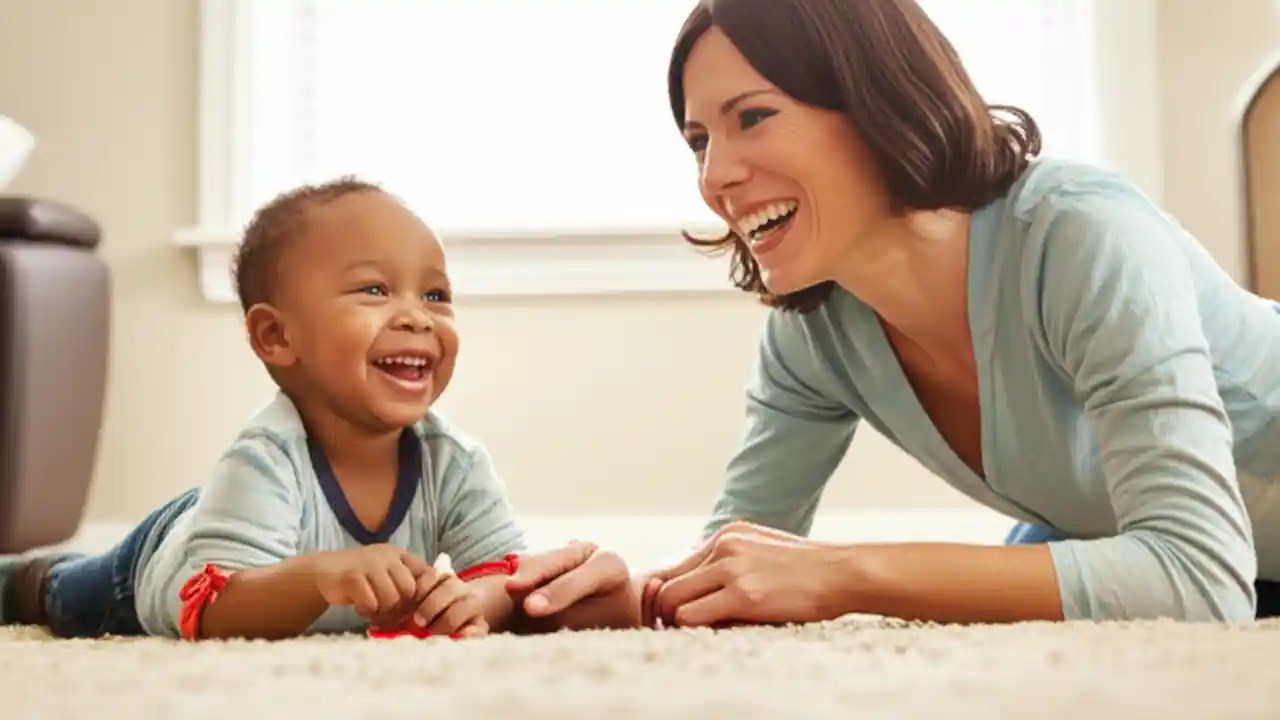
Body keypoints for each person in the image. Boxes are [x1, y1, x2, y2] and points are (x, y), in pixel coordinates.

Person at [507, 0, 1280, 628]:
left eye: (754, 117)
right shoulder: (814, 336)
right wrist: (621, 597)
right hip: (1171, 548)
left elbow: (1199, 578)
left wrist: (846, 574)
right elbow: (738, 563)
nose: (716, 176)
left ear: (876, 99)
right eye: (699, 140)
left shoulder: (1080, 234)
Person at [0, 178, 638, 639]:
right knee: (59, 596)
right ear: (276, 336)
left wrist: (481, 601)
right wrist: (319, 578)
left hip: (236, 520)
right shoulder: (266, 456)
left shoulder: (454, 460)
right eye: (375, 289)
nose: (417, 317)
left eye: (435, 294)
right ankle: (23, 577)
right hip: (157, 562)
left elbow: (505, 573)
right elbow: (212, 606)